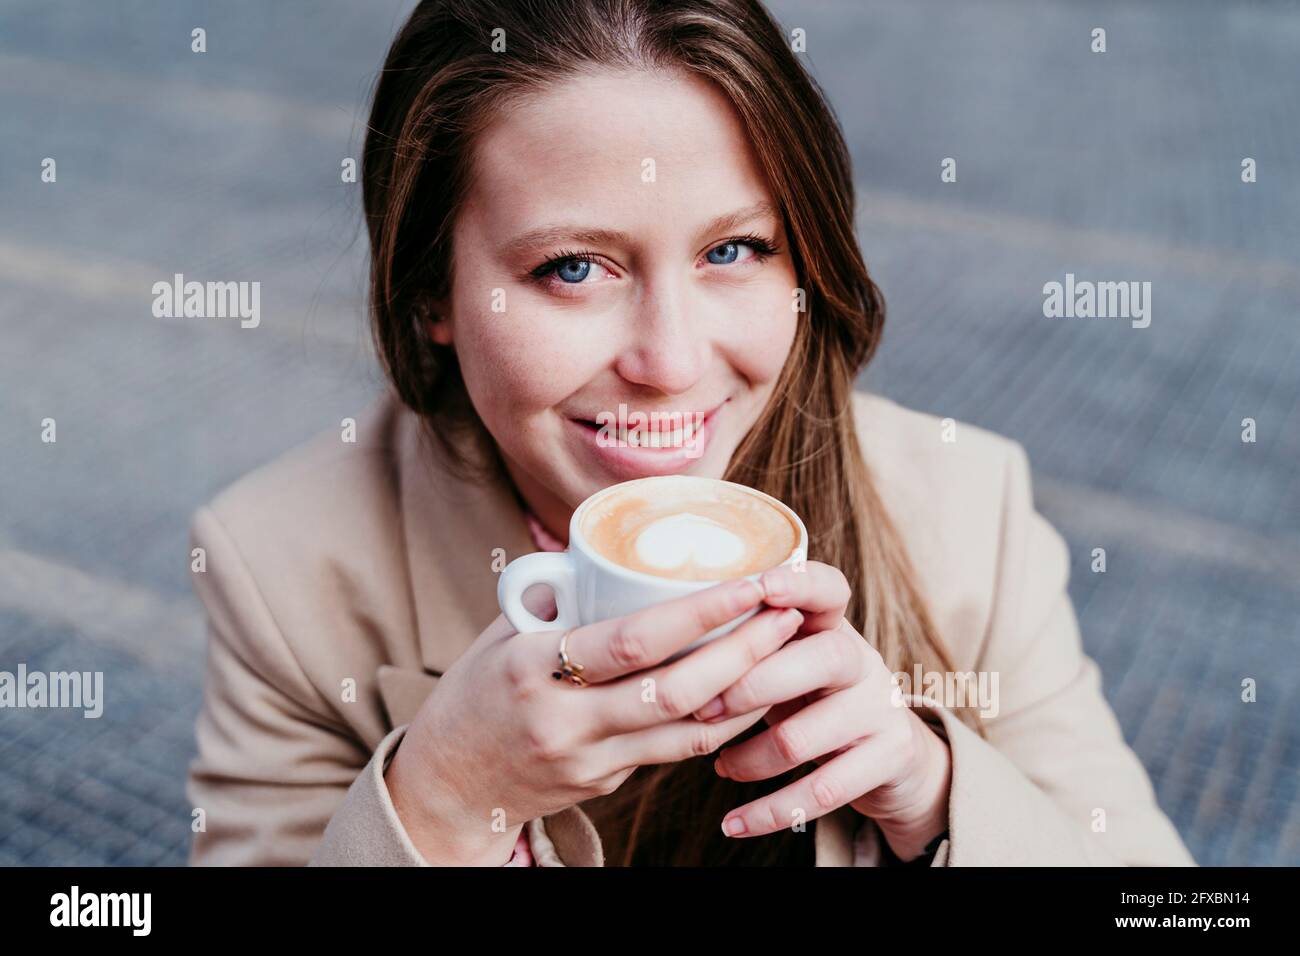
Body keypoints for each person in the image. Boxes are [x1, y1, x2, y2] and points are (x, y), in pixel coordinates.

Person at [185, 0, 1195, 867]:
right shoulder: (283, 565)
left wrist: (935, 799)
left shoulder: (966, 509)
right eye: (573, 267)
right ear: (428, 293)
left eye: (734, 249)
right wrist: (442, 797)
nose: (668, 361)